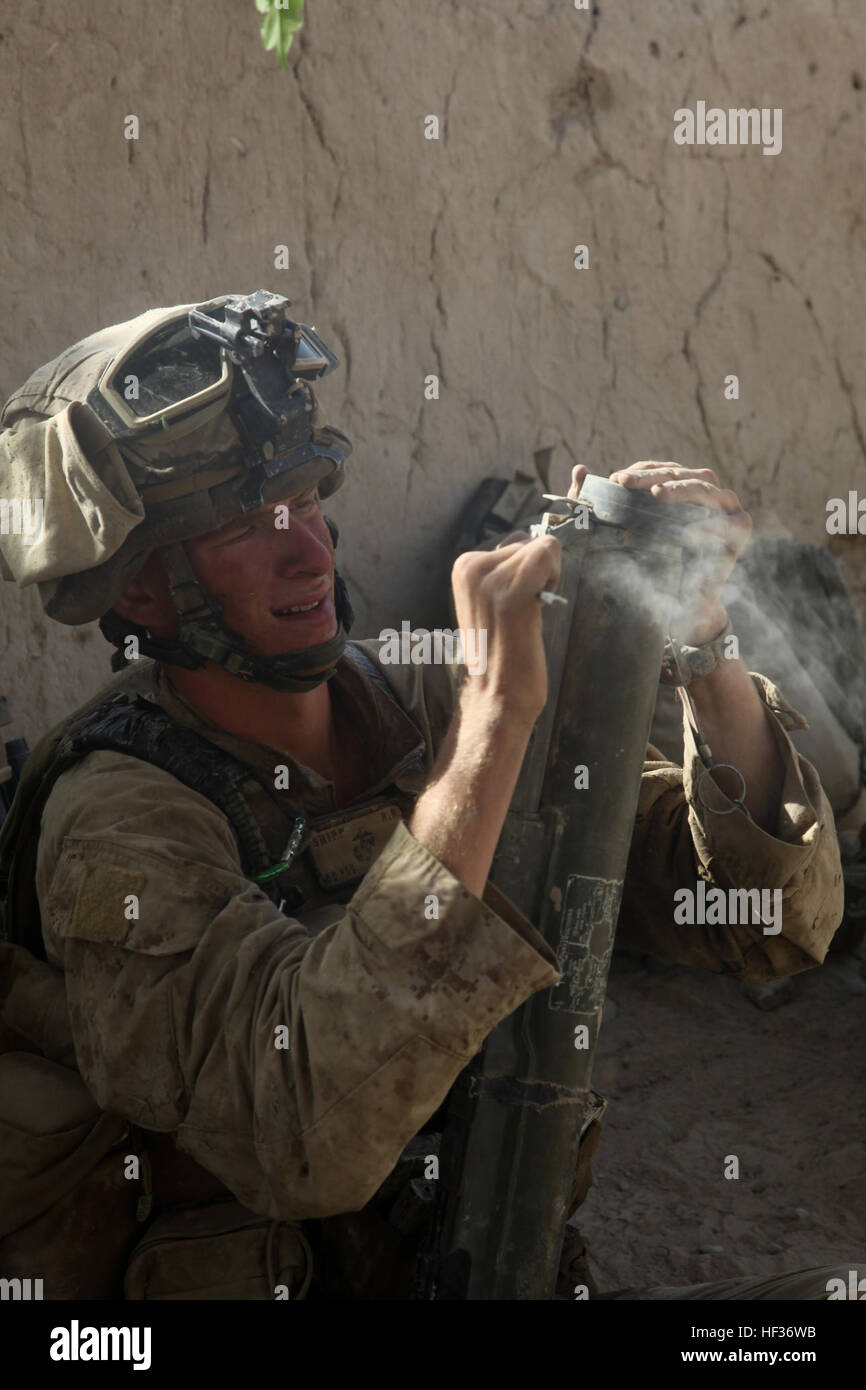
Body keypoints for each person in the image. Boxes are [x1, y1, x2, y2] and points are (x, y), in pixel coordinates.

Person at [0, 292, 856, 1300]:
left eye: (308, 497)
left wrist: (700, 637)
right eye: (245, 528)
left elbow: (763, 924)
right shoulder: (117, 822)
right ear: (140, 591)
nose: (310, 551)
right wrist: (492, 728)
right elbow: (303, 1136)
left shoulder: (413, 703)